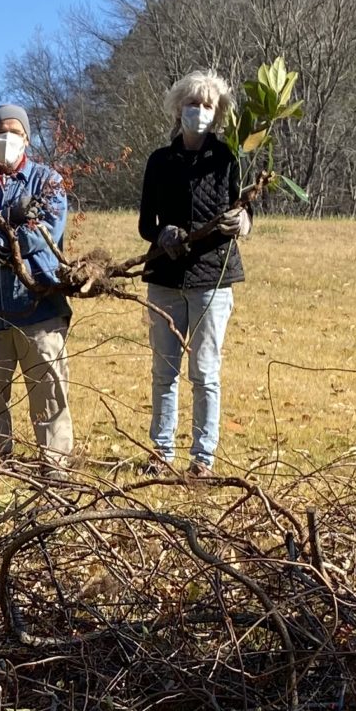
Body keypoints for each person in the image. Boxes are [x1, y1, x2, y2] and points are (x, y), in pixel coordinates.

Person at [136, 70, 252, 476]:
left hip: (212, 279)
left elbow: (245, 207)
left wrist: (243, 223)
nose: (198, 112)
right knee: (163, 371)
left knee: (205, 372)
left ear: (217, 112)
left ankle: (202, 459)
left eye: (206, 106)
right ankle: (161, 452)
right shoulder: (159, 161)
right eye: (192, 104)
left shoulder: (227, 158)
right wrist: (163, 232)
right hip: (165, 279)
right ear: (178, 107)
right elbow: (145, 224)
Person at [0, 102, 73, 474]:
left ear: (27, 137)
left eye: (15, 132)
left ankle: (55, 464)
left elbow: (42, 232)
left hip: (40, 304)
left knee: (48, 389)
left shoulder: (48, 181)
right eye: (1, 133)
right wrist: (2, 226)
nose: (8, 139)